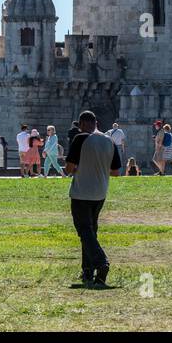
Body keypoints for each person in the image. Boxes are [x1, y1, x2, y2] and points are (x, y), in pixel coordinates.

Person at [64, 110, 121, 288]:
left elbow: (69, 168)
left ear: (81, 124)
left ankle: (101, 263)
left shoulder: (80, 139)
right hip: (100, 193)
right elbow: (116, 172)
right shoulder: (109, 140)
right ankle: (87, 271)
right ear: (96, 123)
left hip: (82, 192)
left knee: (84, 231)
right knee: (91, 231)